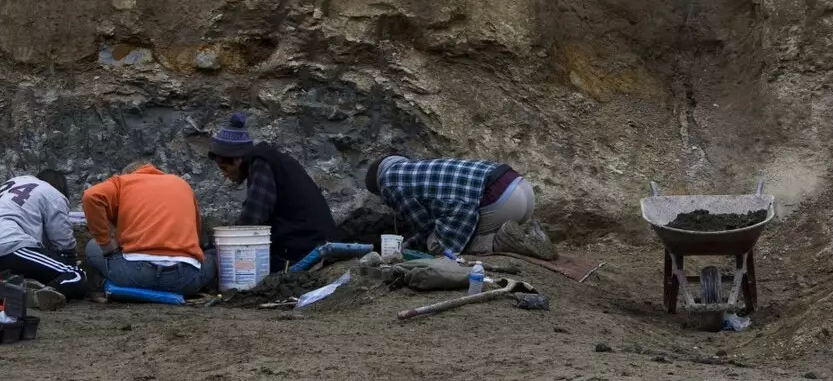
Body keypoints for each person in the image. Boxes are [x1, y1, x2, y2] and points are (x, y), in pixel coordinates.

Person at [207, 112, 340, 270]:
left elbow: (253, 218)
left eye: (225, 168)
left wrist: (222, 244)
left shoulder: (261, 163)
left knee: (225, 261)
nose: (225, 175)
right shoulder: (270, 159)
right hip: (313, 241)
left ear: (237, 159)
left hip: (305, 249)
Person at [365, 154, 553, 259]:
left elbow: (424, 226)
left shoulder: (389, 182)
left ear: (378, 187)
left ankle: (501, 242)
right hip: (519, 186)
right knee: (454, 231)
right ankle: (529, 234)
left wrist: (406, 247)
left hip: (500, 199)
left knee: (438, 248)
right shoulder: (418, 168)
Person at [82, 162, 216, 297]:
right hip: (185, 281)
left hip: (133, 276)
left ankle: (98, 290)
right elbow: (197, 236)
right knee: (215, 255)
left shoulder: (123, 182)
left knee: (93, 246)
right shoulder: (182, 184)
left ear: (128, 174)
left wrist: (106, 244)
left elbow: (91, 196)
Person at [0, 169, 86, 308]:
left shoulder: (13, 184)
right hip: (13, 245)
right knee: (75, 275)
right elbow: (64, 243)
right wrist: (70, 262)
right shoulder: (54, 194)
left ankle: (18, 289)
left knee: (36, 267)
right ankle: (42, 294)